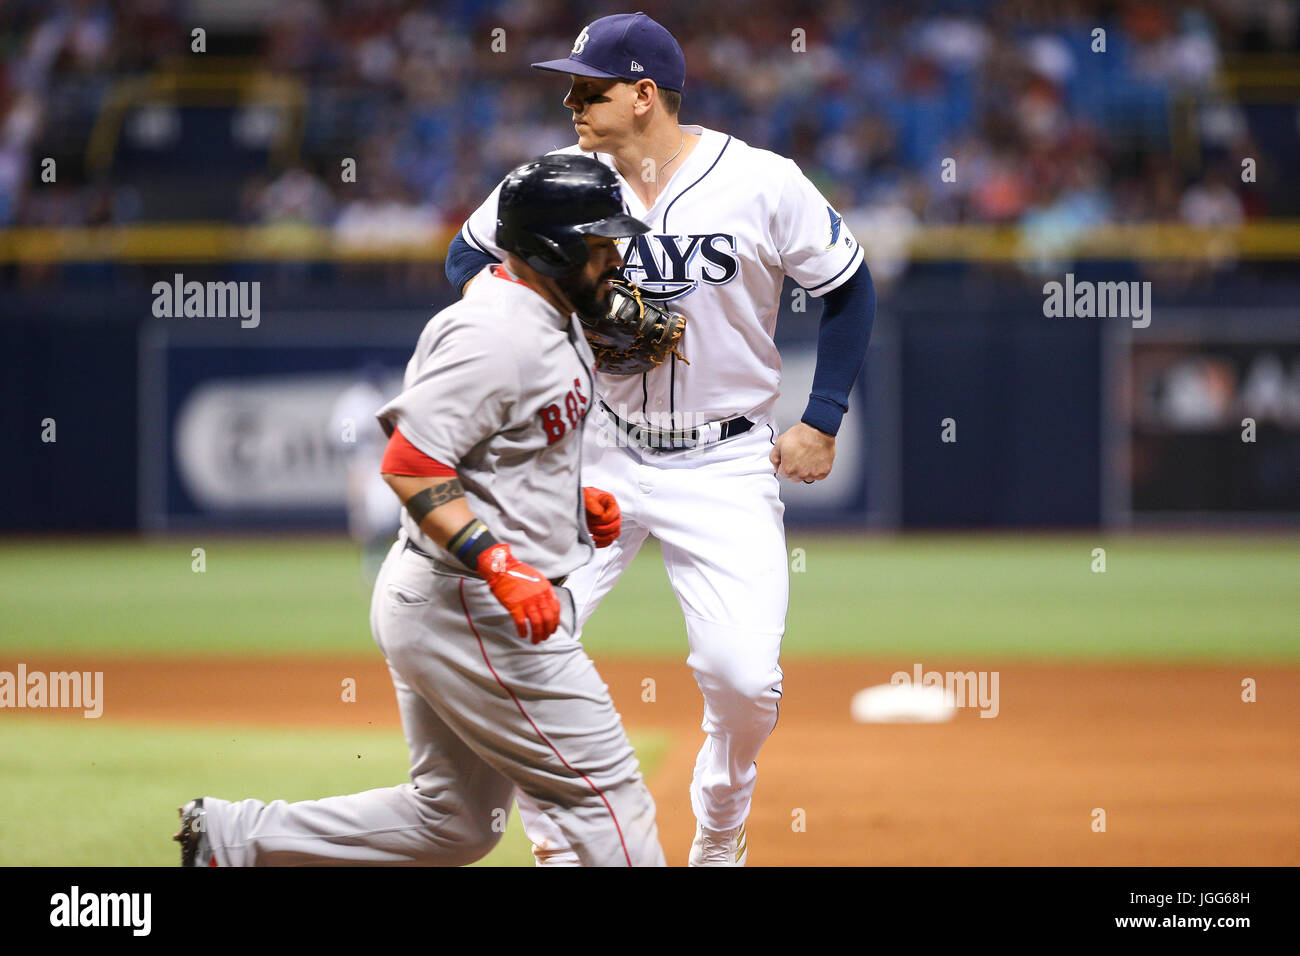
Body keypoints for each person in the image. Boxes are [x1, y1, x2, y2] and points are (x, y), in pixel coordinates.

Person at [446, 12, 876, 866]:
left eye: (588, 89)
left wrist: (822, 415)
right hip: (589, 447)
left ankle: (720, 827)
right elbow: (466, 262)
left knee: (745, 682)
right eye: (568, 87)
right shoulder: (555, 181)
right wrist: (561, 315)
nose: (569, 101)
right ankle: (562, 844)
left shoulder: (762, 180)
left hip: (722, 459)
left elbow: (850, 283)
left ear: (645, 96)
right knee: (520, 642)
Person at [173, 154, 666, 867]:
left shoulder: (553, 316)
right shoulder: (495, 333)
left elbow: (496, 447)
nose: (616, 260)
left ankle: (231, 841)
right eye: (600, 244)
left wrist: (565, 500)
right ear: (552, 248)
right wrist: (499, 563)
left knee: (455, 823)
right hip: (473, 604)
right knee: (604, 792)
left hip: (443, 601)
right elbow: (410, 463)